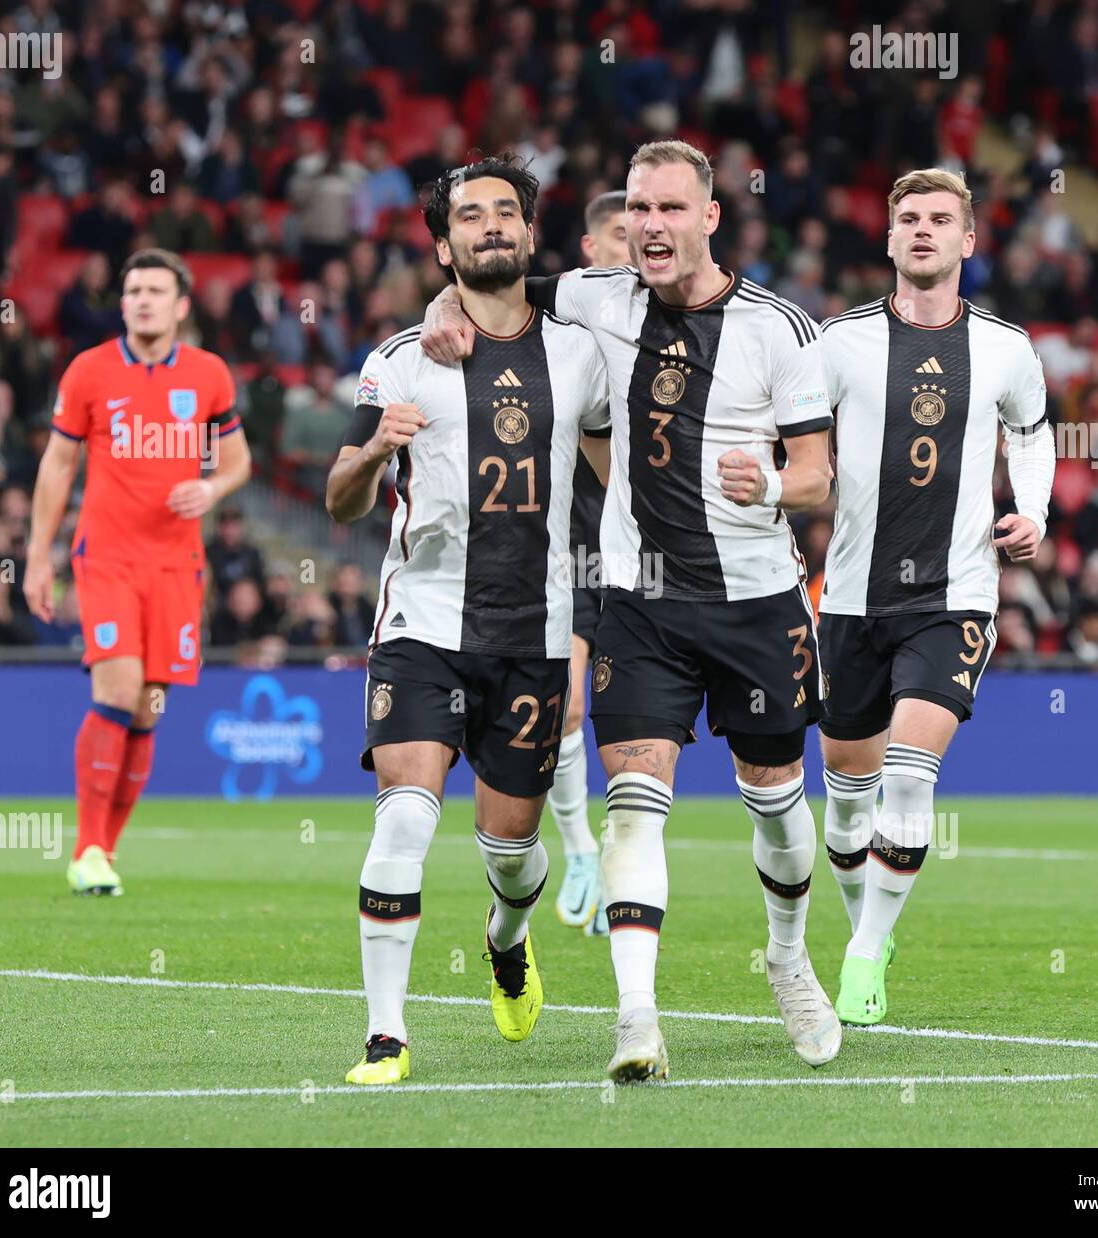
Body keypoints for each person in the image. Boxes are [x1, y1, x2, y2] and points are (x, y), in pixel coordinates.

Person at [421, 140, 841, 1082]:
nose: (651, 226)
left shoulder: (781, 329)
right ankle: (636, 1019)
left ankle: (786, 958)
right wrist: (441, 308)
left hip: (756, 598)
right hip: (637, 602)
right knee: (636, 812)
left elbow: (817, 473)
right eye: (639, 210)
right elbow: (482, 284)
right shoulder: (595, 297)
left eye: (669, 210)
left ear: (710, 218)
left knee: (776, 803)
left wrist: (773, 483)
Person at [326, 155, 610, 1086]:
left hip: (532, 633)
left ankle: (508, 938)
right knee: (405, 818)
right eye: (469, 216)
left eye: (505, 213)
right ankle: (385, 1035)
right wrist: (374, 451)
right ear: (442, 245)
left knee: (514, 857)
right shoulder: (399, 359)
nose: (490, 225)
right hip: (422, 623)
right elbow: (341, 501)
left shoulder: (579, 354)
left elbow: (616, 482)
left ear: (530, 236)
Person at [815, 169, 1056, 1025]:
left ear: (968, 240)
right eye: (908, 219)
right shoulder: (837, 343)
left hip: (955, 596)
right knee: (846, 797)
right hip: (848, 598)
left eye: (940, 219)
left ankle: (866, 951)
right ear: (888, 241)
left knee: (910, 779)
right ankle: (865, 925)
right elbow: (800, 448)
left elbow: (1031, 432)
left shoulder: (1004, 347)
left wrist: (1032, 510)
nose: (922, 230)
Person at [23, 248, 251, 896]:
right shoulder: (90, 371)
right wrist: (39, 557)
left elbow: (237, 462)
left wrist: (212, 490)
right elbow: (57, 468)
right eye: (132, 291)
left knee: (148, 710)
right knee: (119, 690)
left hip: (178, 564)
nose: (142, 300)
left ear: (181, 306)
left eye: (154, 290)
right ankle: (86, 848)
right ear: (121, 303)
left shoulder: (208, 375)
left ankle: (104, 854)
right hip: (109, 557)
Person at [550, 189, 629, 940]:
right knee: (567, 704)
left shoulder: (685, 328)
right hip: (572, 540)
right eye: (617, 233)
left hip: (658, 549)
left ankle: (626, 862)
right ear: (589, 250)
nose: (634, 243)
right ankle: (579, 853)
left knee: (638, 723)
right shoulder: (562, 329)